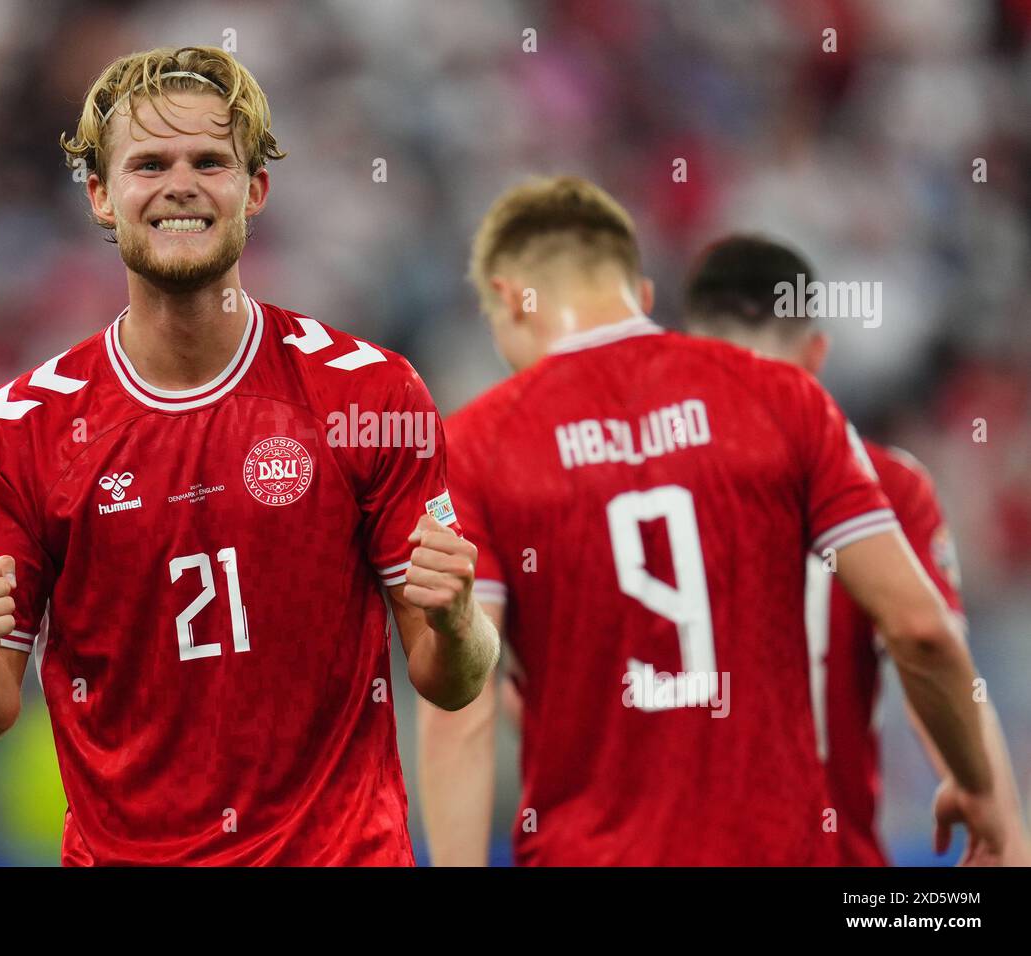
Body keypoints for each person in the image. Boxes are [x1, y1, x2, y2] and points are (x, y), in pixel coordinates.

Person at [0, 46, 498, 866]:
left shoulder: (369, 394)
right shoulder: (25, 425)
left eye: (210, 161)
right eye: (149, 163)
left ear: (254, 189)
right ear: (100, 195)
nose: (180, 184)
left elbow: (452, 676)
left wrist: (457, 618)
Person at [417, 175, 1000, 866]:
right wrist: (975, 782)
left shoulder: (477, 446)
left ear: (510, 300)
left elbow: (463, 707)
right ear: (644, 295)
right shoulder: (784, 397)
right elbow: (923, 630)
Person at [680, 234, 1030, 865]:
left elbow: (523, 690)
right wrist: (989, 802)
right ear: (815, 354)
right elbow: (928, 648)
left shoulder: (606, 485)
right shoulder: (884, 485)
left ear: (682, 359)